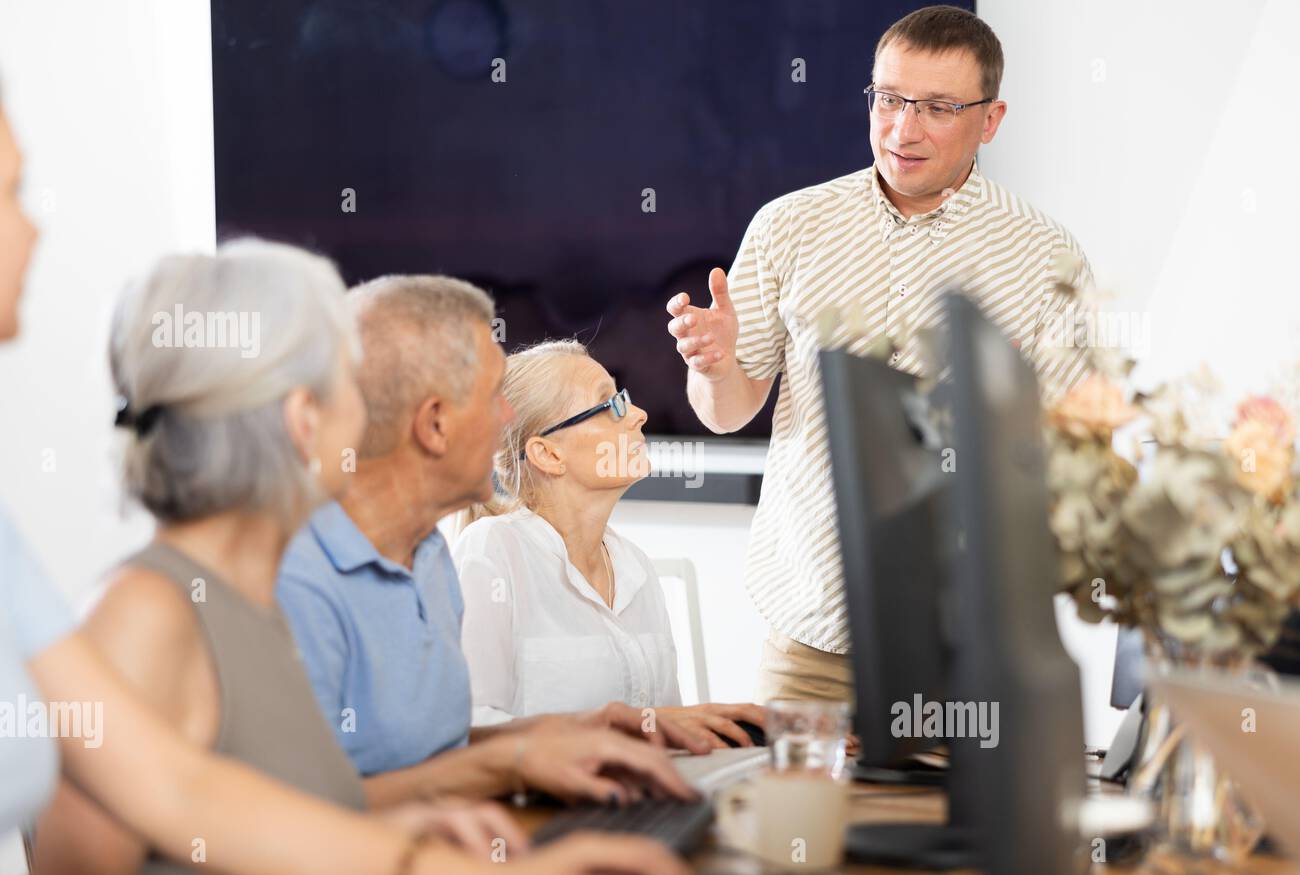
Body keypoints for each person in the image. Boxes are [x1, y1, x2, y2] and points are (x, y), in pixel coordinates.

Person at [0, 96, 703, 875]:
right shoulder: (154, 613)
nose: (372, 405)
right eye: (349, 378)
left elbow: (231, 814)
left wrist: (436, 844)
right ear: (304, 419)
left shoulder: (251, 596)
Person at [666, 5, 1098, 704]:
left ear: (990, 120)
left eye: (938, 108)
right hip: (807, 643)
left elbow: (1074, 456)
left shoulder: (1045, 256)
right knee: (789, 785)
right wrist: (714, 369)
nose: (903, 129)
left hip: (965, 652)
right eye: (890, 99)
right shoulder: (789, 226)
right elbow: (725, 414)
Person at [276, 274, 711, 811]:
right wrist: (516, 767)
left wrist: (599, 727)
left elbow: (446, 746)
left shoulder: (430, 560)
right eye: (490, 397)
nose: (507, 417)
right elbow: (289, 811)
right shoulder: (300, 578)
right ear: (435, 424)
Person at [455, 339, 768, 748]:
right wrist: (638, 724)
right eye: (610, 405)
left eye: (625, 399)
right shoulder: (493, 552)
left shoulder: (635, 567)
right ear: (548, 454)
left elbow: (671, 733)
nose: (638, 414)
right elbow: (470, 729)